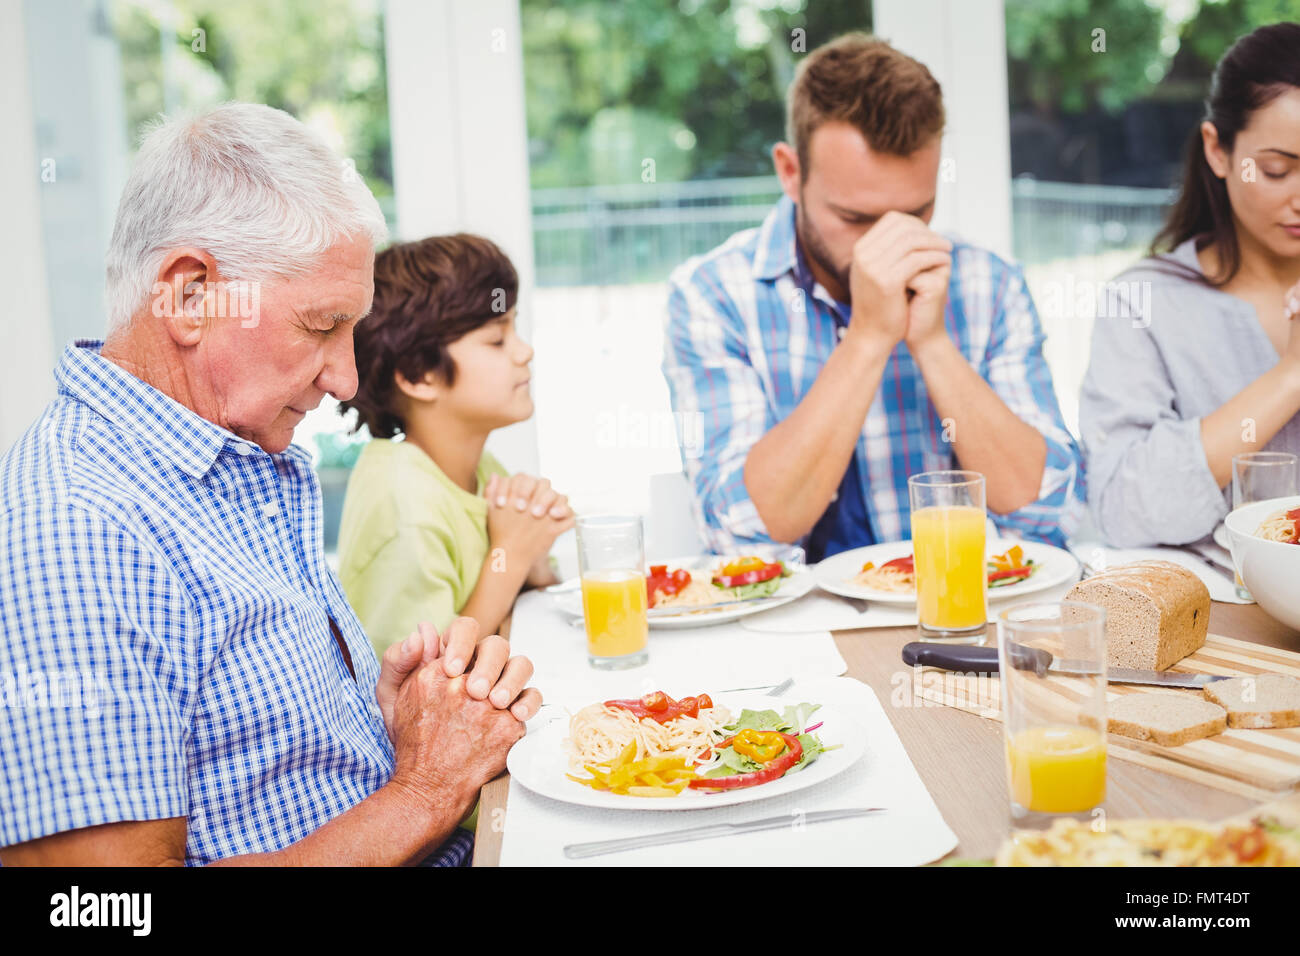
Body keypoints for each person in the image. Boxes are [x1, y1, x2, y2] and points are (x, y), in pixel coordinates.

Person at [0, 103, 540, 866]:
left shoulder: (233, 451)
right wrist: (419, 794)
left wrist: (385, 729)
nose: (347, 377)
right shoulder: (79, 525)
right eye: (321, 326)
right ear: (191, 296)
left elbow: (250, 775)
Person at [662, 33, 1085, 562]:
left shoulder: (989, 284)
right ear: (790, 172)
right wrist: (868, 338)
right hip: (801, 632)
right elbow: (743, 536)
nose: (890, 244)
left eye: (917, 212)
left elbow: (1048, 512)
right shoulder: (712, 297)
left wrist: (931, 342)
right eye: (856, 219)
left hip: (965, 615)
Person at [1079, 22, 1300, 547]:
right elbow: (1123, 511)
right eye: (1275, 170)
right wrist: (1290, 377)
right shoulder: (1143, 303)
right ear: (1217, 150)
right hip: (1216, 621)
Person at [336, 234, 573, 655]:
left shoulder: (482, 469)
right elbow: (424, 690)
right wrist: (512, 552)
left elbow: (531, 610)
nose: (525, 352)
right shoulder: (401, 501)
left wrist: (533, 553)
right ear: (418, 374)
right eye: (497, 340)